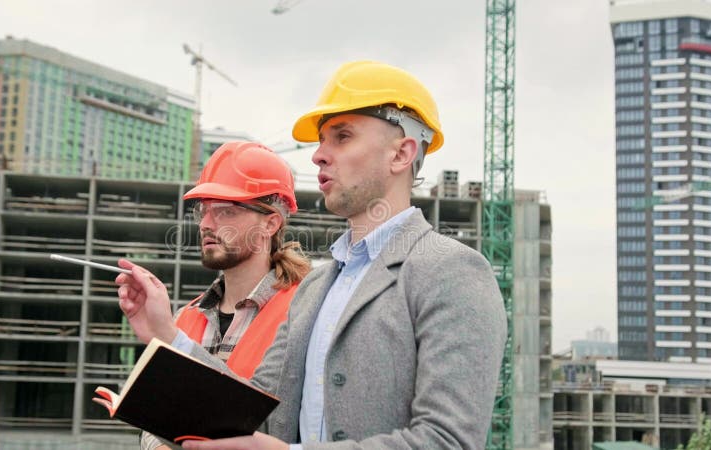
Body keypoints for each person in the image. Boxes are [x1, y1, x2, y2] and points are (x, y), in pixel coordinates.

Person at [118, 61, 507, 450]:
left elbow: (448, 441)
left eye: (342, 136)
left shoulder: (451, 271)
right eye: (321, 141)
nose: (319, 155)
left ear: (401, 154)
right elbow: (254, 410)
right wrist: (166, 335)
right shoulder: (317, 286)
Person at [115, 141, 310, 450]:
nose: (206, 224)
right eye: (203, 212)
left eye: (226, 211)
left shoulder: (305, 309)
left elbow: (283, 425)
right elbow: (157, 421)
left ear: (270, 223)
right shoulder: (185, 317)